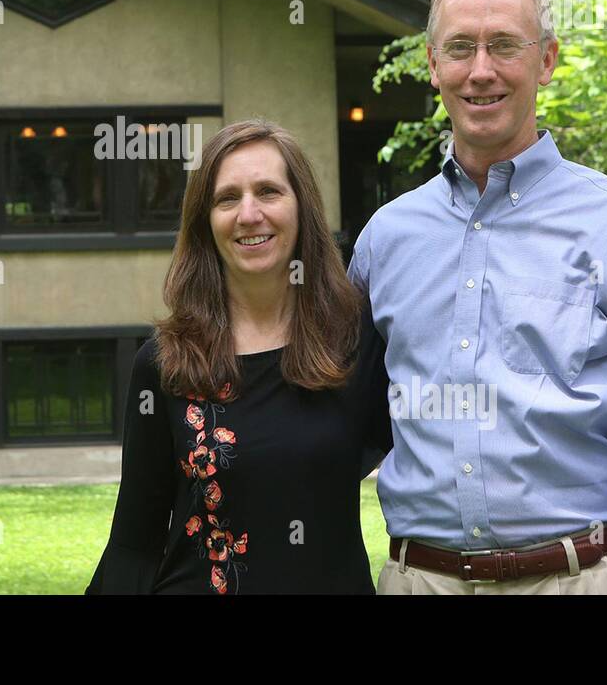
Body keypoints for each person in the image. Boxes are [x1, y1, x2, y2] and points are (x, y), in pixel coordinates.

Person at [349, 0, 607, 595]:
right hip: (419, 582)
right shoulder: (385, 241)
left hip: (579, 579)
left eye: (504, 46)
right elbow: (337, 424)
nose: (480, 71)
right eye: (460, 47)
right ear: (433, 64)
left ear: (546, 59)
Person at [87, 119, 392, 594]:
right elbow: (135, 541)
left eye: (268, 191)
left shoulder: (355, 344)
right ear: (205, 222)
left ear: (302, 208)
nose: (249, 214)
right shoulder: (166, 364)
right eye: (227, 198)